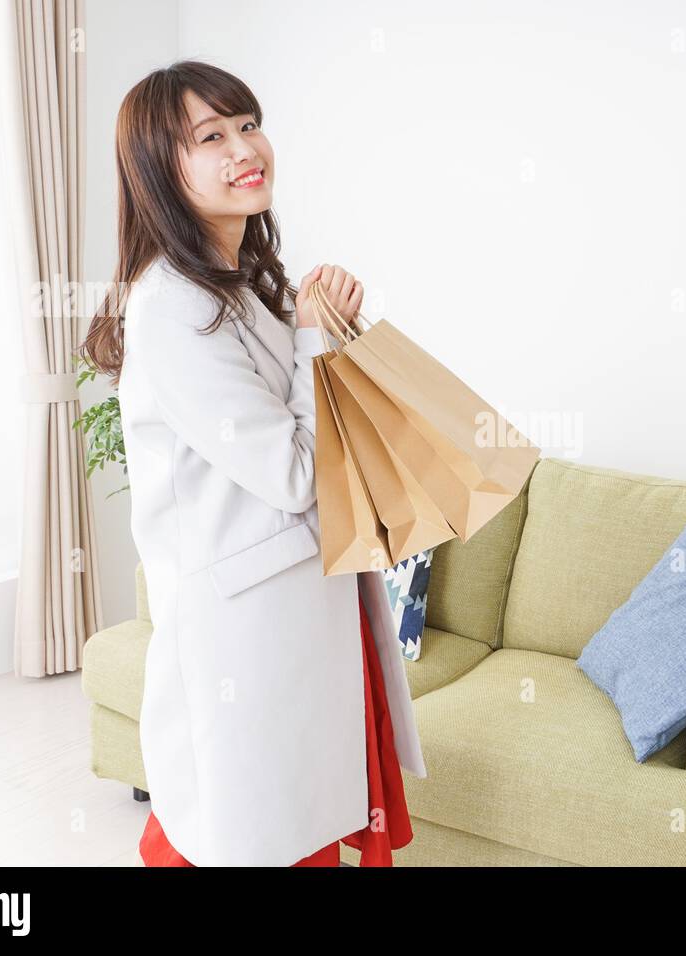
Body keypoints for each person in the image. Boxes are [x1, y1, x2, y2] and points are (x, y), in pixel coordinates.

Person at [80, 59, 426, 867]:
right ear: (163, 172)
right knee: (238, 835)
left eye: (246, 124)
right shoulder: (170, 306)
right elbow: (298, 474)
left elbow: (321, 431)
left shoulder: (243, 287)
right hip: (248, 633)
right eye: (211, 136)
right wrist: (310, 331)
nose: (245, 147)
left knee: (269, 827)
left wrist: (322, 324)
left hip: (304, 613)